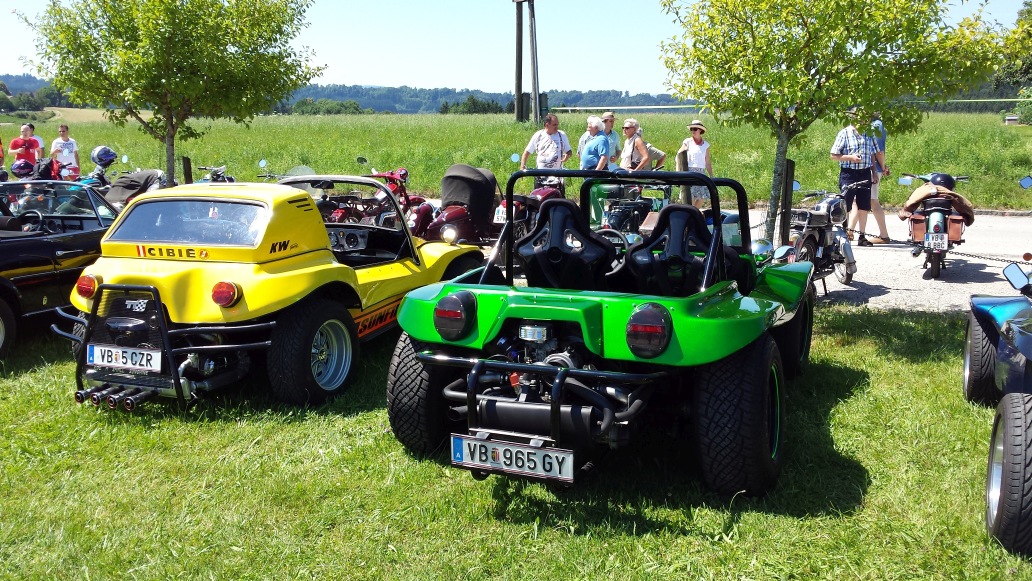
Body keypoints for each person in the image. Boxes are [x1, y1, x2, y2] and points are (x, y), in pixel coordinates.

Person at [830, 108, 883, 247]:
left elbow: (872, 153)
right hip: (848, 173)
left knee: (864, 205)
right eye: (860, 117)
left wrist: (874, 171)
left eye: (865, 117)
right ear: (853, 118)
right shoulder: (844, 133)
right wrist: (850, 158)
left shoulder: (869, 133)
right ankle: (844, 235)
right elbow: (834, 155)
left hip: (865, 172)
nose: (863, 120)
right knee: (845, 205)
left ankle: (862, 236)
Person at [850, 112, 890, 244]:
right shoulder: (877, 125)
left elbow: (878, 151)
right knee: (858, 201)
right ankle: (850, 231)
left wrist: (883, 167)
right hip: (871, 167)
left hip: (873, 168)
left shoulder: (875, 126)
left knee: (872, 201)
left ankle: (884, 235)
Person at [676, 119, 714, 207]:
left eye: (695, 129)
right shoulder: (687, 142)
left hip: (701, 172)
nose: (693, 131)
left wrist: (711, 176)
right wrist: (679, 172)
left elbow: (707, 161)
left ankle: (694, 214)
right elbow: (679, 155)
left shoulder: (706, 145)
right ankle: (692, 215)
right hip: (689, 171)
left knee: (701, 198)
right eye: (691, 129)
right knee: (690, 197)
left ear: (700, 130)